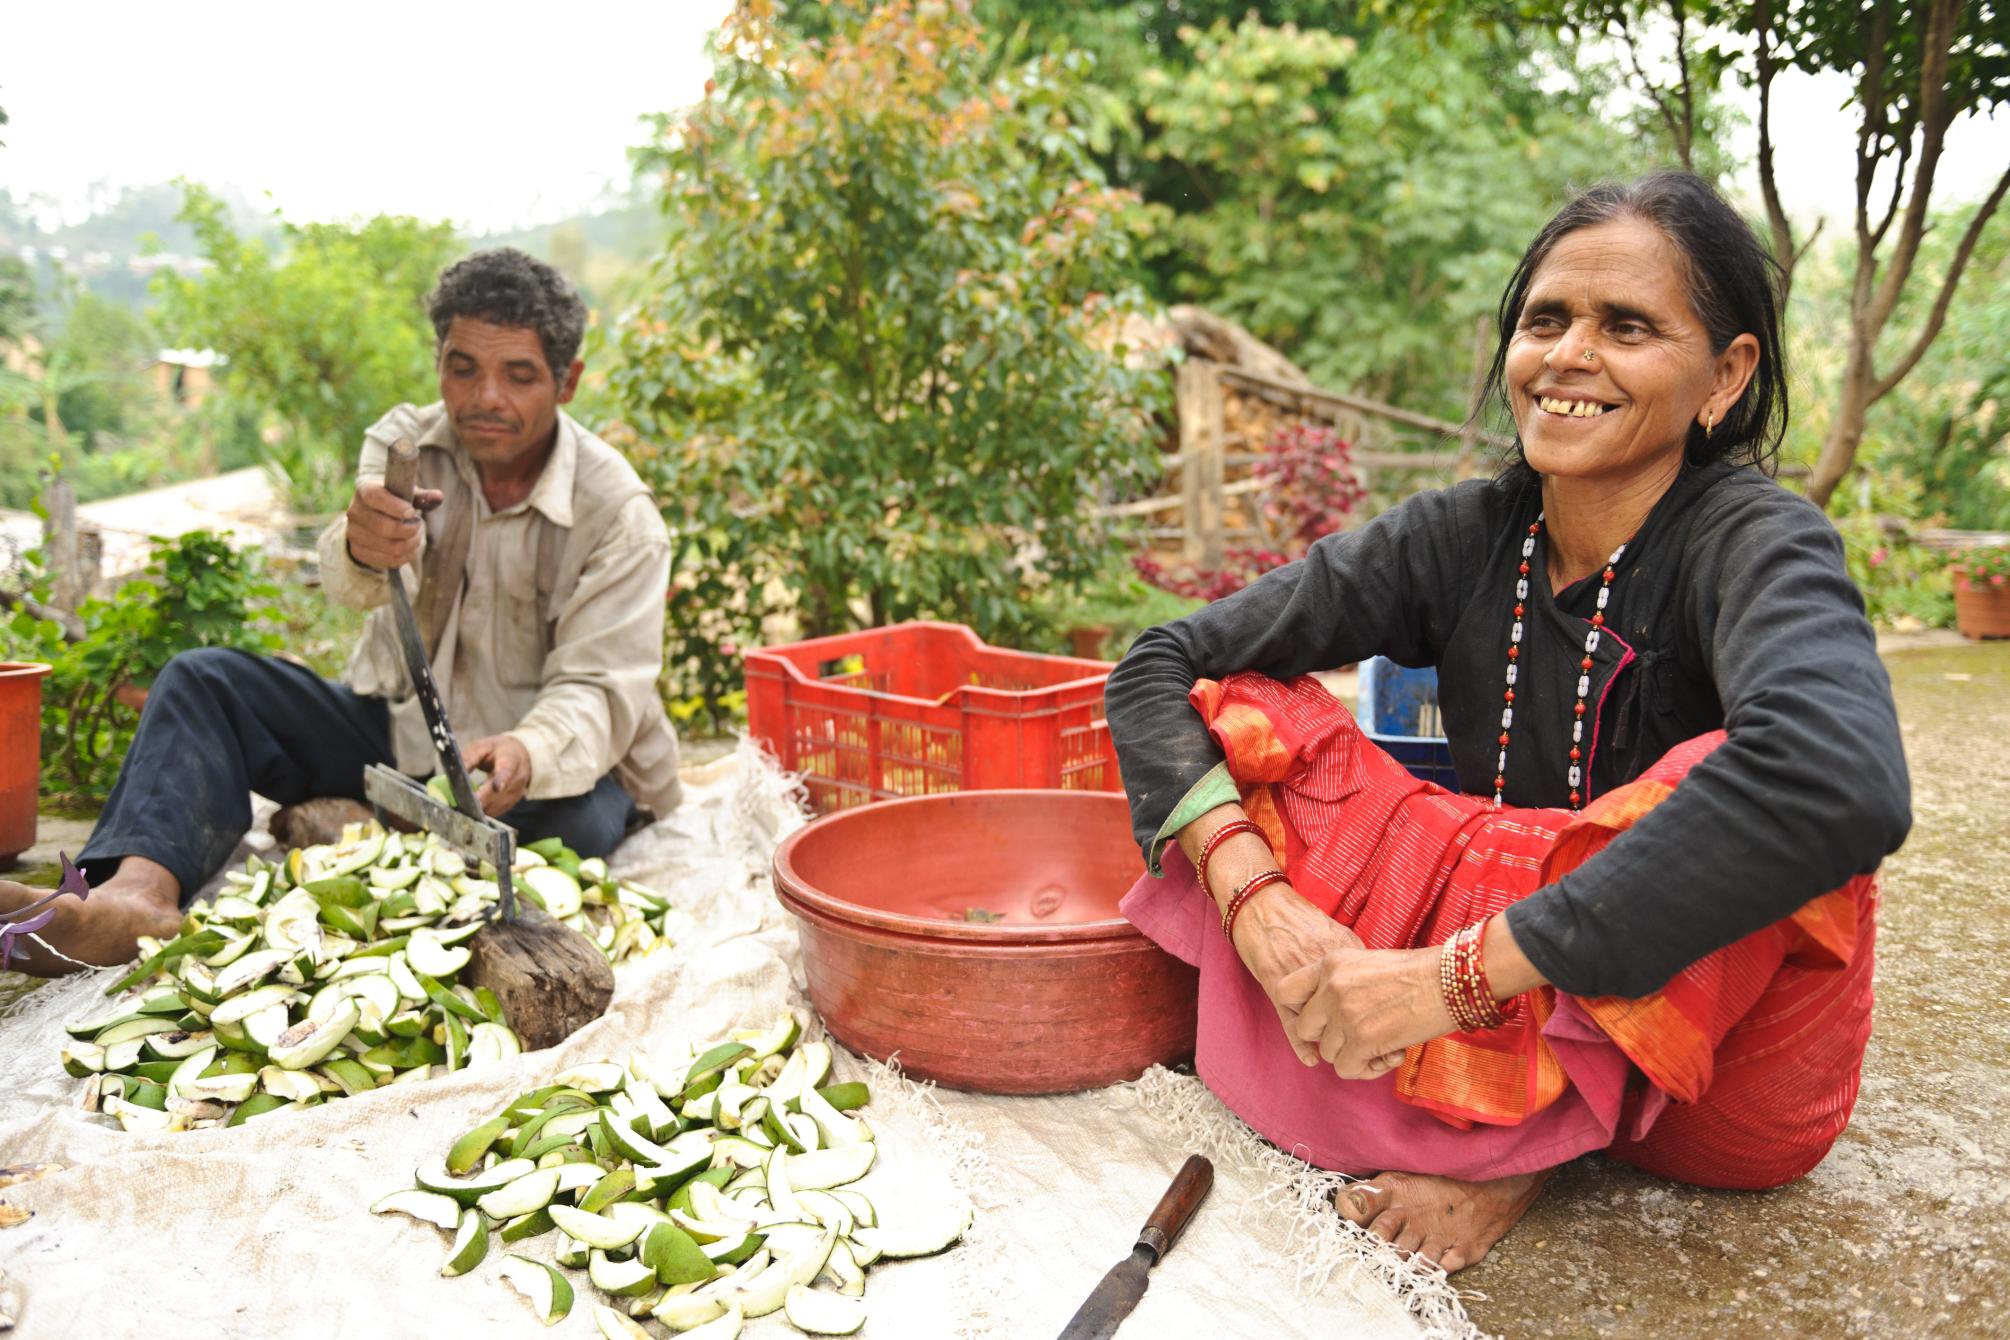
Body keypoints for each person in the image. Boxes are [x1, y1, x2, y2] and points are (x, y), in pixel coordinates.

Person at [1105, 171, 1910, 1274]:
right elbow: (1162, 662)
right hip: (1501, 1027)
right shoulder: (1469, 535)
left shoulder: (1760, 543)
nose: (1570, 355)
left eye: (1627, 326)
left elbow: (1843, 777)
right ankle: (1507, 1115)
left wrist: (1442, 983)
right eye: (1547, 319)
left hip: (1706, 1080)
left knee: (1757, 781)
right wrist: (1261, 904)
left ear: (1724, 377)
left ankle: (1526, 1155)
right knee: (1248, 697)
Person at [0, 248, 682, 974]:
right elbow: (352, 586)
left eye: (519, 375)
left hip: (542, 771)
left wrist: (527, 751)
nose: (485, 397)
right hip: (402, 734)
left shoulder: (618, 514)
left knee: (575, 824)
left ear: (567, 382)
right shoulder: (405, 447)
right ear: (439, 362)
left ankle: (385, 832)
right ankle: (134, 899)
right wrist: (361, 544)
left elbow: (600, 689)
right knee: (204, 681)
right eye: (462, 368)